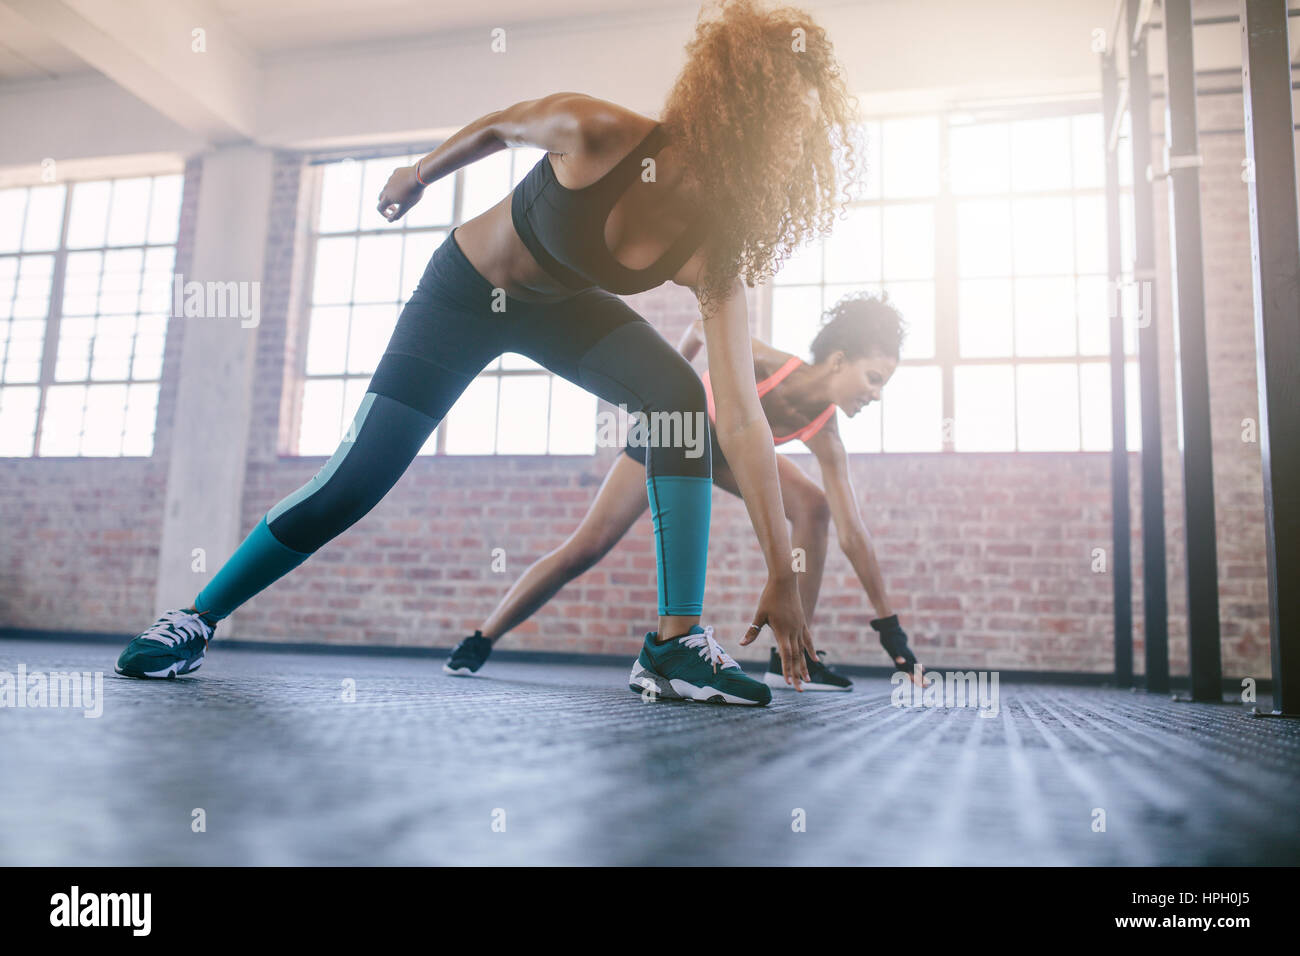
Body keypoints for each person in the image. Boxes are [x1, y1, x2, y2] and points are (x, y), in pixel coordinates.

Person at [114, 0, 862, 706]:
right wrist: (419, 173)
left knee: (676, 396)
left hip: (561, 311)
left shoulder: (717, 247)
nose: (788, 146)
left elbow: (738, 416)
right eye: (780, 123)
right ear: (733, 108)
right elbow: (504, 127)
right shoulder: (601, 130)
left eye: (801, 135)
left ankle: (674, 647)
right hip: (465, 296)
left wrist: (781, 570)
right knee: (354, 483)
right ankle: (195, 618)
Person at [444, 292, 926, 690]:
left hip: (722, 454)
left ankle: (794, 656)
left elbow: (853, 534)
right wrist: (660, 390)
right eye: (874, 379)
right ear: (839, 361)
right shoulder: (764, 360)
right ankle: (482, 637)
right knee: (585, 547)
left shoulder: (826, 432)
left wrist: (892, 633)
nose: (877, 394)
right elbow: (700, 328)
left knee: (815, 507)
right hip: (674, 433)